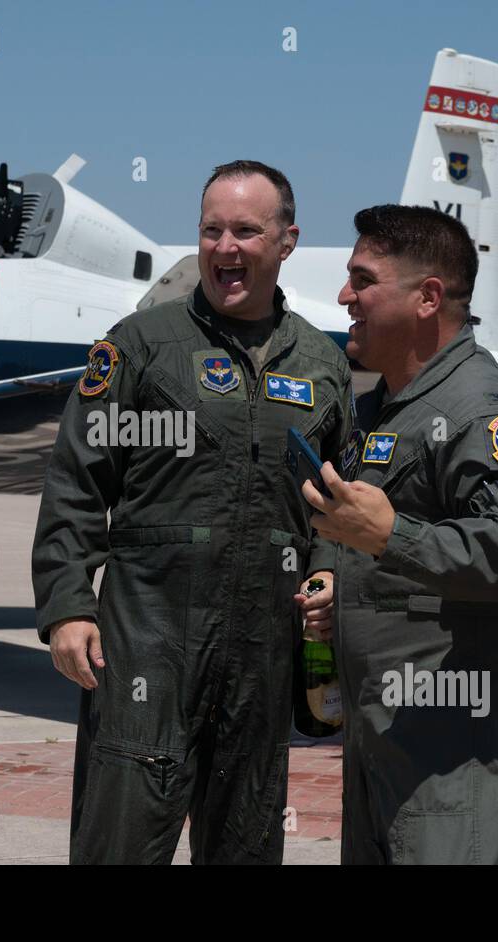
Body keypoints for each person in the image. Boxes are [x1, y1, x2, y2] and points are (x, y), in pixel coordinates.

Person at [32, 159, 352, 864]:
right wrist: (66, 607)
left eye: (245, 230)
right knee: (121, 841)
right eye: (211, 230)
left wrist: (329, 574)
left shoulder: (322, 368)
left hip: (264, 657)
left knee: (245, 842)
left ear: (287, 241)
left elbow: (341, 507)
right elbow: (77, 483)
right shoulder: (143, 347)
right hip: (147, 645)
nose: (225, 248)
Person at [303, 204, 498, 864]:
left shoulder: (483, 410)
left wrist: (391, 538)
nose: (344, 297)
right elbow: (380, 534)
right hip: (381, 741)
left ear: (427, 298)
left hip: (451, 755)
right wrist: (343, 581)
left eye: (362, 280)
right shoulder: (383, 409)